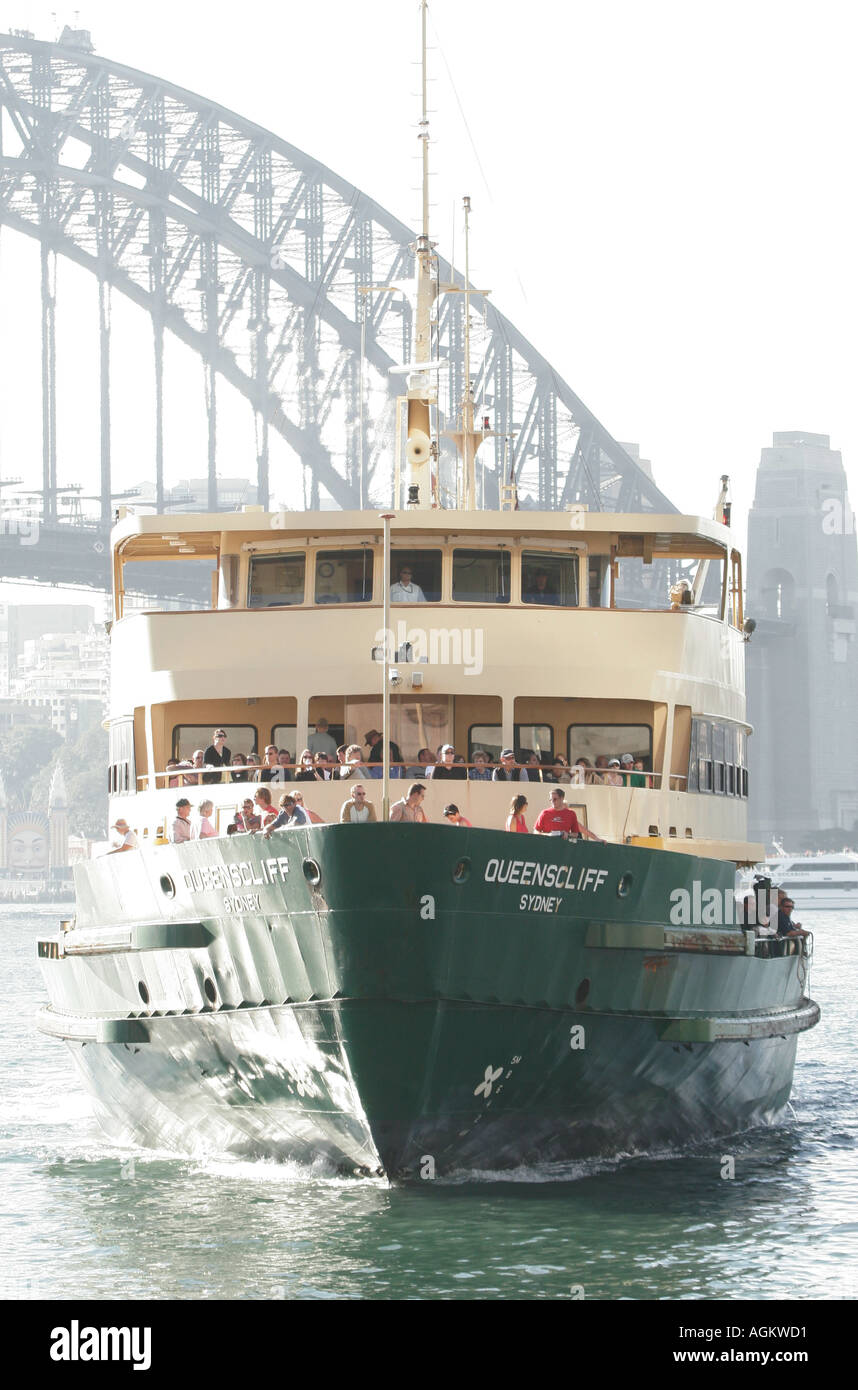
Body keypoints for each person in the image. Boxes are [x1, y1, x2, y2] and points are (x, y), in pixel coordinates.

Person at [534, 788, 604, 841]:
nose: (552, 802)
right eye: (550, 800)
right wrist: (548, 835)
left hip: (564, 851)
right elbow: (536, 832)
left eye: (555, 799)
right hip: (547, 849)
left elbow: (577, 833)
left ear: (562, 799)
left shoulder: (571, 814)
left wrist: (567, 834)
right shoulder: (544, 813)